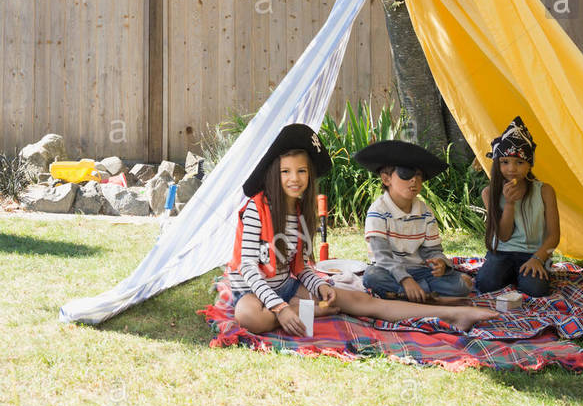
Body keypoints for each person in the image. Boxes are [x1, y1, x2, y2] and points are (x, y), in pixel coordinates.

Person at [230, 124, 498, 335]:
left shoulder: (300, 212)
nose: (294, 178)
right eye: (285, 171)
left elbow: (299, 268)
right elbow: (248, 267)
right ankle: (303, 311)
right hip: (255, 293)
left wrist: (321, 285)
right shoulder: (256, 208)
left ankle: (453, 315)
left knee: (362, 301)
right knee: (249, 316)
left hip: (286, 287)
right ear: (274, 174)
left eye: (301, 171)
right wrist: (280, 308)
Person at [354, 139, 473, 303]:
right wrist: (405, 279)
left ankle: (409, 296)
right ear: (386, 179)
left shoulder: (425, 212)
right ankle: (427, 297)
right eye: (406, 173)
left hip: (420, 271)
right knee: (372, 277)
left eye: (419, 175)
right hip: (389, 270)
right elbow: (382, 257)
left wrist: (440, 263)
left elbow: (432, 250)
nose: (414, 180)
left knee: (463, 284)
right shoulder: (378, 211)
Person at [475, 117, 559, 297]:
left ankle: (523, 274)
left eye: (519, 162)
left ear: (529, 165)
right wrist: (510, 204)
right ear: (497, 164)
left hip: (534, 253)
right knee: (484, 284)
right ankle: (512, 273)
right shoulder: (489, 193)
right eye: (505, 162)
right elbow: (503, 236)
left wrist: (538, 259)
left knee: (535, 290)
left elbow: (554, 236)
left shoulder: (545, 191)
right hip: (502, 252)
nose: (512, 168)